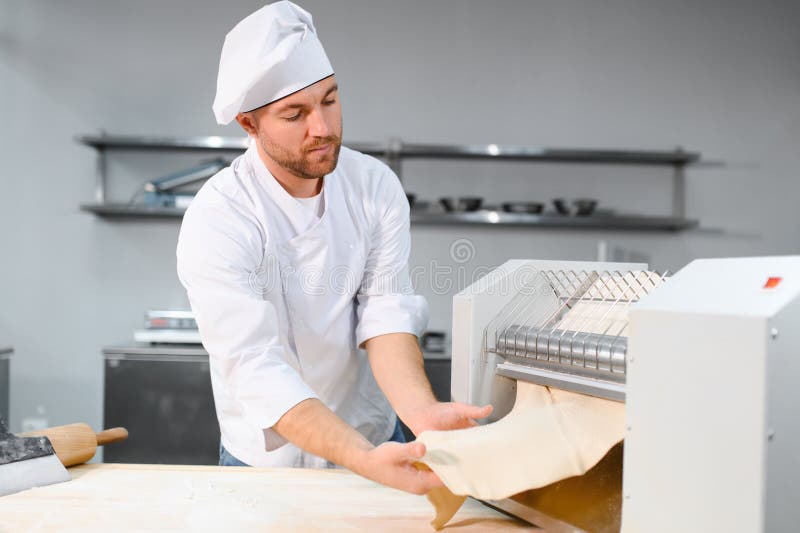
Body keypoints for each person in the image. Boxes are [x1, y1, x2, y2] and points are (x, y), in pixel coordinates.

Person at [176, 1, 491, 495]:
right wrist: (361, 459)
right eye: (295, 114)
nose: (322, 127)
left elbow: (385, 313)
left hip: (373, 433)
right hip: (266, 463)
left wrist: (422, 414)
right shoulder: (220, 216)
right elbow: (254, 365)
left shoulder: (374, 187)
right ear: (249, 125)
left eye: (329, 100)